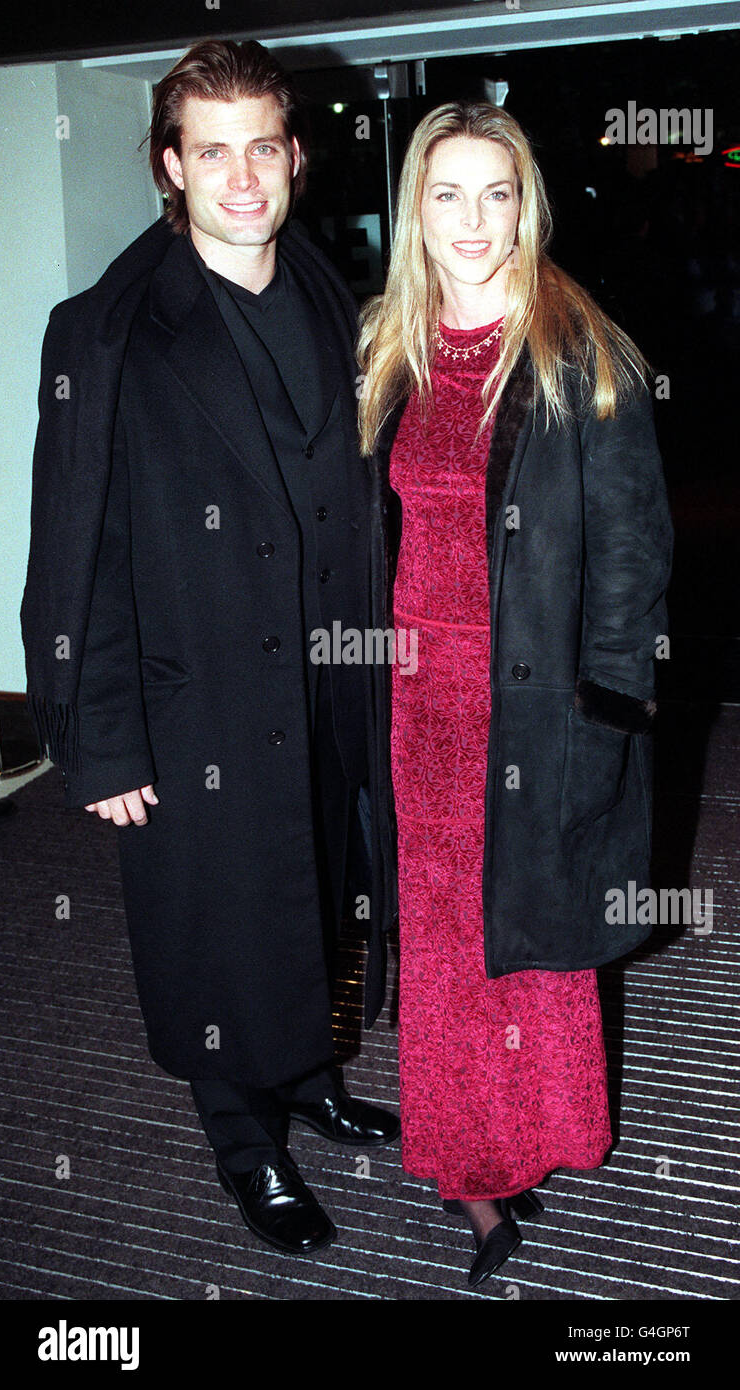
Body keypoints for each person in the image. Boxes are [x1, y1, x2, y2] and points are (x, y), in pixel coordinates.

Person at [20, 38, 398, 1260]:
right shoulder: (105, 333)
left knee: (312, 895)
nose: (243, 177)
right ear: (170, 165)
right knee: (215, 926)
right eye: (212, 151)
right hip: (193, 707)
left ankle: (304, 1077)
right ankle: (249, 1147)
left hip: (329, 677)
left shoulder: (330, 290)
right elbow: (72, 554)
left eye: (263, 148)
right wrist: (98, 738)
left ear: (293, 156)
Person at [358, 102, 673, 1288]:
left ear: (524, 205)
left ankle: (539, 1131)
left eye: (496, 193)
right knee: (441, 937)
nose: (472, 219)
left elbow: (636, 560)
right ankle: (472, 1173)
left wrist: (607, 716)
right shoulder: (389, 343)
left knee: (531, 934)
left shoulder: (578, 352)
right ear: (416, 213)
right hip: (411, 695)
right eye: (447, 194)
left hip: (529, 699)